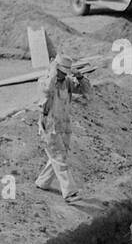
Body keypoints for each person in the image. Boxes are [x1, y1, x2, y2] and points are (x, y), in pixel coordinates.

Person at [34, 54, 92, 203]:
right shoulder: (44, 82)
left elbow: (87, 92)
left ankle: (42, 182)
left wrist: (79, 76)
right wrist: (53, 71)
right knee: (60, 157)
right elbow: (47, 90)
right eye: (60, 71)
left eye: (65, 72)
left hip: (64, 125)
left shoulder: (67, 83)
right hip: (49, 126)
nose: (62, 75)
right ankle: (70, 192)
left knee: (58, 156)